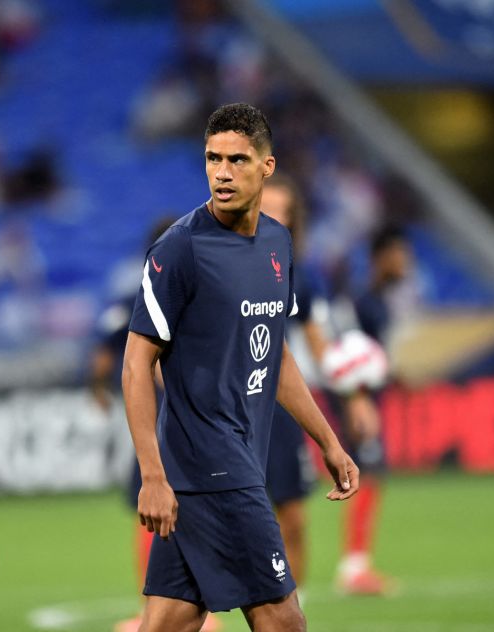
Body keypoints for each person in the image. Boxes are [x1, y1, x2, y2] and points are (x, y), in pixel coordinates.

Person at [122, 103, 358, 632]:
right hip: (212, 465)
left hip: (234, 458)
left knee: (170, 621)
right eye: (212, 159)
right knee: (283, 618)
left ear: (266, 167)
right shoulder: (180, 249)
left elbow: (275, 356)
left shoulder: (277, 243)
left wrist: (328, 440)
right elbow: (137, 366)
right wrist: (152, 476)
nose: (222, 172)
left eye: (237, 159)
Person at [87, 217, 224, 632]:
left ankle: (170, 608)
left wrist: (99, 387)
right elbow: (116, 357)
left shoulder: (138, 297)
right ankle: (164, 608)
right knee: (161, 508)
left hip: (167, 421)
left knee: (164, 510)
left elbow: (105, 358)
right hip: (164, 421)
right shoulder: (185, 297)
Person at [263, 173, 383, 597]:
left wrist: (353, 398)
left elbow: (319, 348)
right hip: (226, 407)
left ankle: (283, 616)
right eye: (265, 207)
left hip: (279, 412)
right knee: (212, 518)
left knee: (292, 519)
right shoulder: (213, 262)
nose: (272, 218)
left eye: (283, 212)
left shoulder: (299, 276)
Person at [334, 226, 412, 595]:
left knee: (373, 477)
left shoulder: (378, 301)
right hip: (359, 401)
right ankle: (354, 569)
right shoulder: (363, 302)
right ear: (381, 258)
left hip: (368, 398)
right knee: (367, 476)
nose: (405, 262)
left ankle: (357, 564)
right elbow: (347, 353)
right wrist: (357, 400)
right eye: (399, 254)